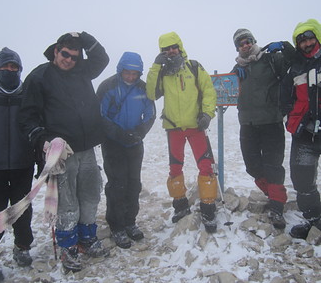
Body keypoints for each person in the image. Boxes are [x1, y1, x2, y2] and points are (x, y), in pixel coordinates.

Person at [18, 32, 110, 273]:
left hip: (87, 146)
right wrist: (44, 141)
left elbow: (101, 59)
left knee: (90, 195)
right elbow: (27, 116)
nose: (69, 60)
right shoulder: (39, 77)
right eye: (65, 54)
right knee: (67, 203)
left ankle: (87, 238)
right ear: (56, 51)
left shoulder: (82, 70)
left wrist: (87, 38)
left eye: (74, 56)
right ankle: (68, 246)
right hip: (60, 152)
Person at [146, 32, 218, 233]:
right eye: (165, 49)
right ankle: (180, 205)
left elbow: (208, 91)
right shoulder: (161, 72)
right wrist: (155, 66)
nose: (170, 51)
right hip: (173, 128)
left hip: (196, 126)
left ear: (179, 47)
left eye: (173, 47)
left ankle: (208, 208)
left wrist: (207, 114)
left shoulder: (193, 67)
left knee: (206, 167)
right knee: (175, 169)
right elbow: (151, 93)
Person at [231, 29, 295, 229]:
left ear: (253, 41)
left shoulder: (271, 60)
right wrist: (234, 76)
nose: (245, 45)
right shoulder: (237, 68)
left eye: (248, 41)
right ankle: (273, 193)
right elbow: (226, 91)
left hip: (271, 122)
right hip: (247, 124)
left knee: (273, 166)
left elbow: (296, 61)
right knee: (252, 166)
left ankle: (277, 206)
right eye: (241, 43)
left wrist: (285, 45)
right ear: (237, 48)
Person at [96, 52, 155, 249]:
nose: (130, 77)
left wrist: (139, 132)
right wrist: (119, 134)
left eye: (134, 73)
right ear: (120, 70)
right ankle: (116, 225)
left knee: (134, 183)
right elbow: (100, 115)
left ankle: (130, 221)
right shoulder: (108, 86)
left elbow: (150, 113)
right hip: (113, 143)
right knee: (117, 184)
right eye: (127, 73)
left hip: (135, 143)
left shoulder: (143, 87)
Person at [0, 48, 35, 282]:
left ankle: (22, 246)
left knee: (22, 209)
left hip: (22, 162)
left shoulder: (27, 94)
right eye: (5, 67)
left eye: (14, 67)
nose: (10, 70)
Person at [281, 19, 321, 239]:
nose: (307, 44)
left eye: (310, 38)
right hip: (305, 133)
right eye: (302, 41)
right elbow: (285, 98)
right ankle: (315, 221)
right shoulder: (295, 68)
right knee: (302, 180)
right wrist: (291, 120)